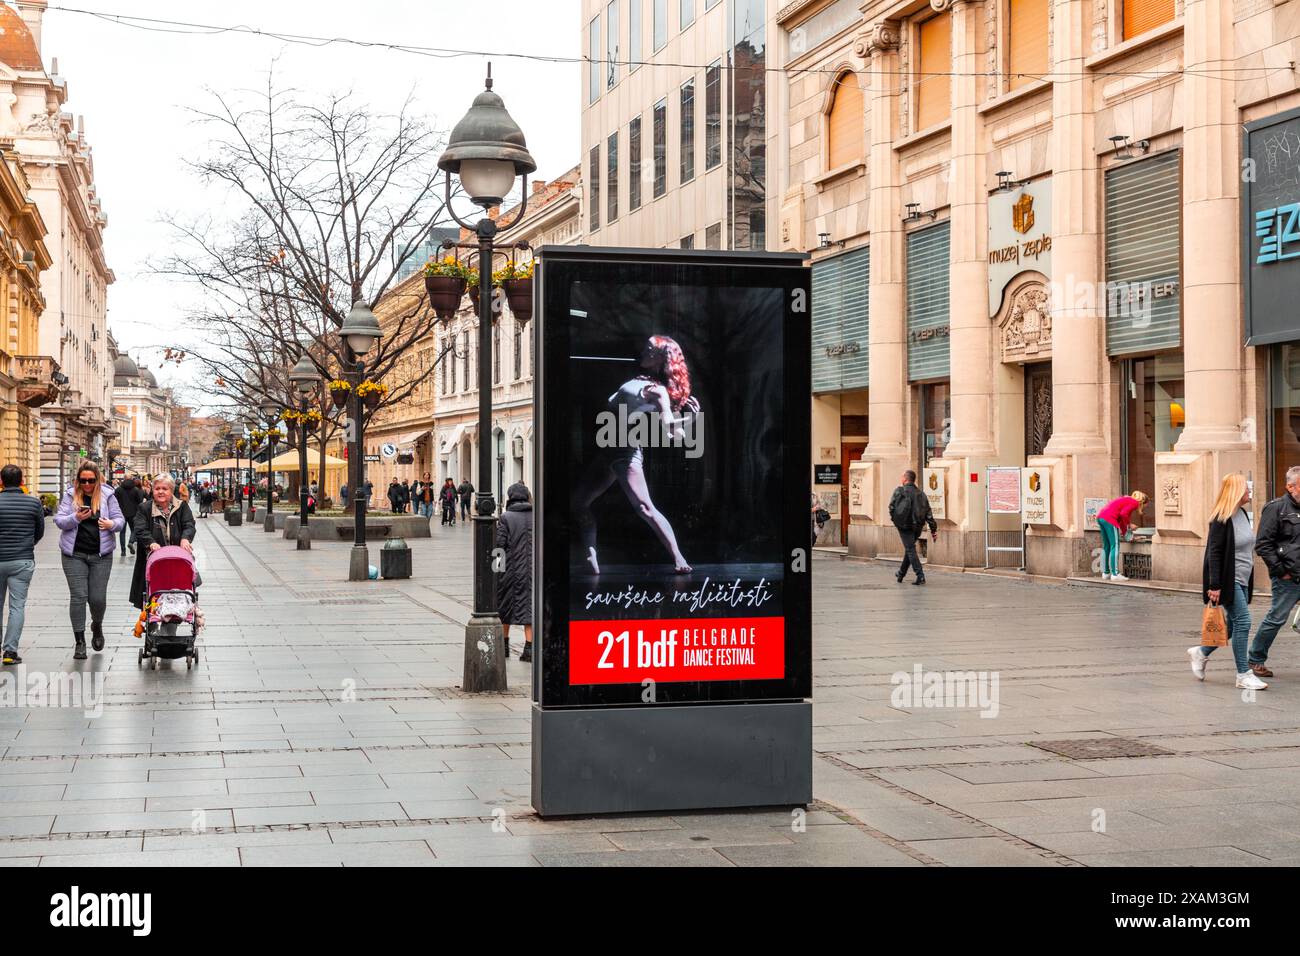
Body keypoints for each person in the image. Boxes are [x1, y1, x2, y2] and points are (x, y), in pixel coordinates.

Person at [572, 335, 701, 574]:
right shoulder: (643, 381)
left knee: (644, 507)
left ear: (660, 358)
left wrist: (691, 418)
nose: (643, 350)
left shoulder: (659, 392)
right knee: (579, 503)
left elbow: (673, 432)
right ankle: (591, 558)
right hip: (608, 449)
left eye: (649, 348)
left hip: (624, 450)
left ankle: (678, 557)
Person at [1192, 473, 1265, 690]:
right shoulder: (1220, 518)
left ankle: (1201, 652)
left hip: (1242, 578)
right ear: (1235, 491)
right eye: (1246, 487)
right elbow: (1214, 552)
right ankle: (1243, 674)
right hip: (1226, 579)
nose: (1249, 490)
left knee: (1232, 627)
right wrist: (1214, 586)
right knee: (1243, 622)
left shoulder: (1241, 513)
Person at [54, 462, 124, 660]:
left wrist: (111, 524)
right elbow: (59, 521)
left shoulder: (108, 495)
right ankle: (80, 642)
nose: (87, 484)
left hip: (101, 556)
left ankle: (97, 624)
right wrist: (75, 517)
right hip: (73, 555)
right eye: (83, 480)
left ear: (97, 480)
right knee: (78, 597)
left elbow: (120, 521)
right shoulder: (70, 495)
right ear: (78, 480)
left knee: (97, 599)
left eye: (91, 481)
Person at [1249, 465, 1300, 678]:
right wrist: (1281, 571)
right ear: (1291, 487)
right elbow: (1263, 544)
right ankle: (1255, 659)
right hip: (1288, 576)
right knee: (1277, 618)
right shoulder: (1276, 508)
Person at [130, 474, 196, 611]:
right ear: (152, 490)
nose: (160, 491)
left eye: (165, 488)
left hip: (176, 560)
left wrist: (185, 538)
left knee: (176, 596)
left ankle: (172, 620)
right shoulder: (144, 508)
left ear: (171, 490)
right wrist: (151, 543)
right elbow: (140, 528)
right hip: (153, 561)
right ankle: (152, 621)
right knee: (151, 594)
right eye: (157, 488)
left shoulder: (182, 506)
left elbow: (189, 524)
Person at [0, 465, 43, 665]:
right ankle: (10, 652)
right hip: (21, 560)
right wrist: (27, 544)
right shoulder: (33, 503)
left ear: (1, 481)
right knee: (17, 606)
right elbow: (39, 532)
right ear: (22, 481)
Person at [496, 482, 534, 661]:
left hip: (511, 570)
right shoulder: (537, 516)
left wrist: (497, 571)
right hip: (533, 569)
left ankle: (504, 646)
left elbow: (499, 546)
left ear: (510, 497)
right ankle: (530, 649)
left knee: (505, 607)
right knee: (529, 607)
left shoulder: (505, 517)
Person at [888, 470, 937, 586]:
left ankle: (920, 575)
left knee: (910, 549)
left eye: (902, 477)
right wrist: (933, 530)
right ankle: (901, 573)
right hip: (918, 527)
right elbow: (928, 513)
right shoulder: (921, 494)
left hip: (904, 526)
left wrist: (896, 521)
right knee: (909, 549)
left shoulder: (899, 491)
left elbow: (891, 508)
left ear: (905, 479)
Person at [1095, 491, 1148, 581]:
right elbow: (1124, 514)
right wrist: (1130, 524)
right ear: (1142, 502)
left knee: (1107, 546)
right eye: (1145, 506)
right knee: (1114, 546)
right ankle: (1115, 574)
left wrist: (1129, 536)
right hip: (1110, 518)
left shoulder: (1126, 500)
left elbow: (1122, 521)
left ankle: (1106, 573)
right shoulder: (1134, 502)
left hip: (1101, 517)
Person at [114, 476, 142, 556]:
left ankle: (123, 551)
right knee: (134, 529)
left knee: (122, 532)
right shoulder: (135, 490)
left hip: (122, 513)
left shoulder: (118, 489)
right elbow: (139, 501)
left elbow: (115, 501)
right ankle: (131, 542)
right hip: (133, 513)